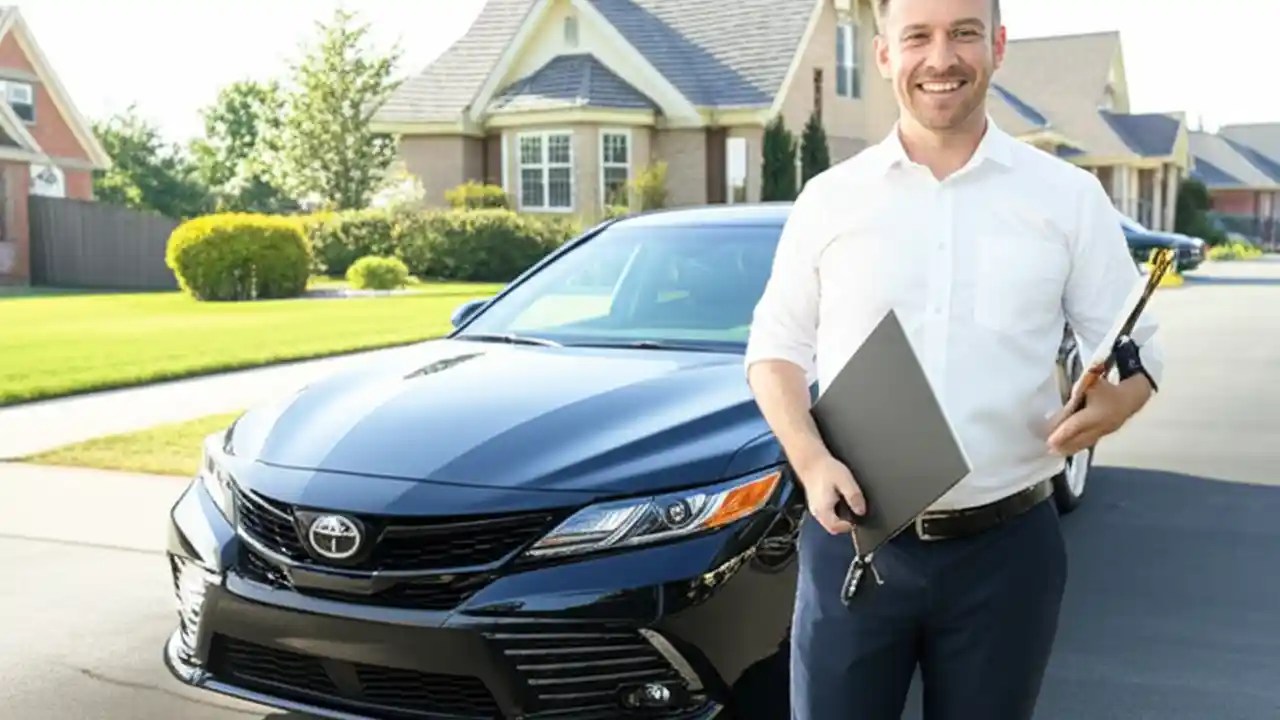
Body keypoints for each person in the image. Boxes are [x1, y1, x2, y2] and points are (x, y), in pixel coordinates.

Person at [743, 0, 1165, 718]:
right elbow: (775, 350)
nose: (941, 58)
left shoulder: (1065, 198)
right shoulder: (828, 200)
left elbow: (1138, 354)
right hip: (856, 544)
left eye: (964, 33)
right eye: (918, 37)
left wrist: (1115, 406)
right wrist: (812, 463)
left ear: (997, 45)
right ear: (884, 55)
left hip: (1007, 556)